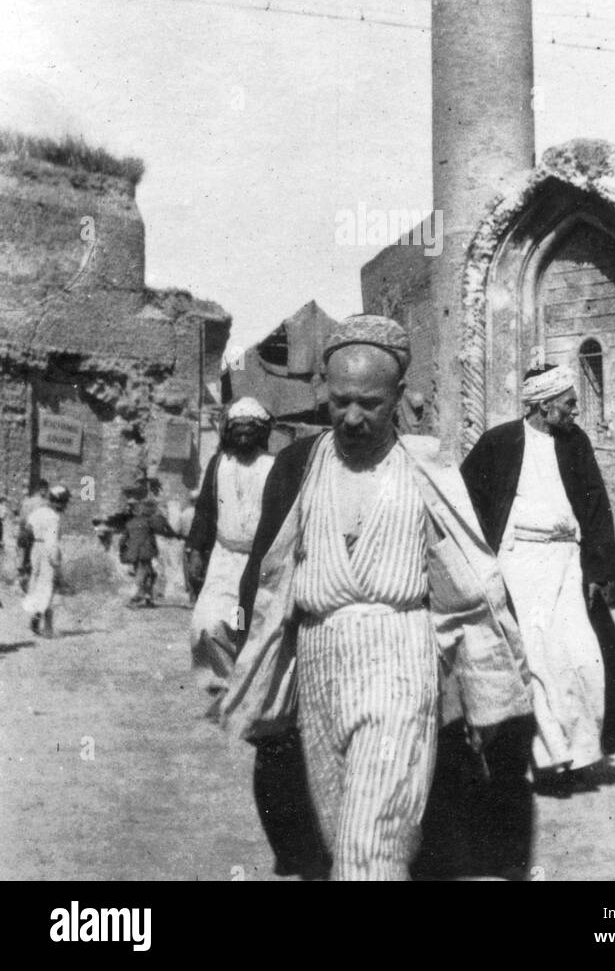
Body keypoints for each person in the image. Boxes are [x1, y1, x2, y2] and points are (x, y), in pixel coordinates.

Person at [222, 315, 533, 883]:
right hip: (319, 662)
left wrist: (482, 690)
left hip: (399, 657)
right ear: (325, 394)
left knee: (372, 845)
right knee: (345, 835)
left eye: (369, 403)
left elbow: (469, 587)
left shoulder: (428, 471)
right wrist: (262, 673)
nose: (353, 417)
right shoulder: (298, 467)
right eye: (340, 402)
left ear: (397, 399)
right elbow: (265, 575)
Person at [461, 363, 615, 791]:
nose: (575, 412)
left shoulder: (575, 442)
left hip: (568, 561)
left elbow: (596, 505)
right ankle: (548, 761)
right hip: (519, 562)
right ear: (544, 406)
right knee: (537, 658)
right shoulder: (500, 442)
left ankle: (581, 754)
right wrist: (480, 558)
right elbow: (465, 496)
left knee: (582, 657)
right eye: (568, 404)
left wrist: (596, 569)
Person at [187, 398, 274, 712]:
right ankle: (225, 686)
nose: (243, 436)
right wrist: (196, 550)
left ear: (261, 432)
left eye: (250, 430)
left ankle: (247, 694)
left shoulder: (273, 467)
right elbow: (205, 513)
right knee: (208, 625)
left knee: (245, 626)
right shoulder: (218, 465)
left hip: (259, 562)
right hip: (224, 559)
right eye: (237, 430)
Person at [22, 484, 70, 637]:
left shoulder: (38, 512)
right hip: (47, 553)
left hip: (35, 549)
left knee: (37, 585)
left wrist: (28, 555)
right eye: (64, 502)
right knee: (49, 587)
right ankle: (47, 628)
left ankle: (36, 617)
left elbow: (27, 531)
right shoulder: (54, 517)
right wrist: (55, 561)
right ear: (59, 502)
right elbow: (52, 541)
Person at [120, 493, 176, 608]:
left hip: (133, 553)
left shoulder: (130, 523)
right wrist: (172, 532)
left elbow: (122, 541)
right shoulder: (150, 521)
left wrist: (123, 553)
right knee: (142, 575)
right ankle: (133, 598)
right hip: (145, 552)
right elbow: (162, 531)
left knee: (151, 574)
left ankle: (148, 598)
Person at [16, 479, 49, 592]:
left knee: (26, 558)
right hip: (37, 535)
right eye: (45, 489)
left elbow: (21, 520)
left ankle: (24, 582)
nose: (46, 492)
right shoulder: (44, 503)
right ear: (42, 489)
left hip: (26, 532)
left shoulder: (27, 502)